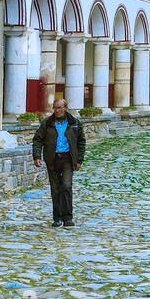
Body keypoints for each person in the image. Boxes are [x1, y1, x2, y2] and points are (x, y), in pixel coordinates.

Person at [32, 98, 86, 228]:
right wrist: (37, 156)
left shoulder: (74, 123)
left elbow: (81, 142)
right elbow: (37, 140)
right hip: (53, 159)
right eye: (55, 108)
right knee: (55, 189)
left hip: (68, 159)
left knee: (66, 186)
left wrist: (79, 160)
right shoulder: (47, 123)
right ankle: (57, 217)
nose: (57, 110)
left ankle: (68, 217)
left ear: (65, 108)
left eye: (59, 107)